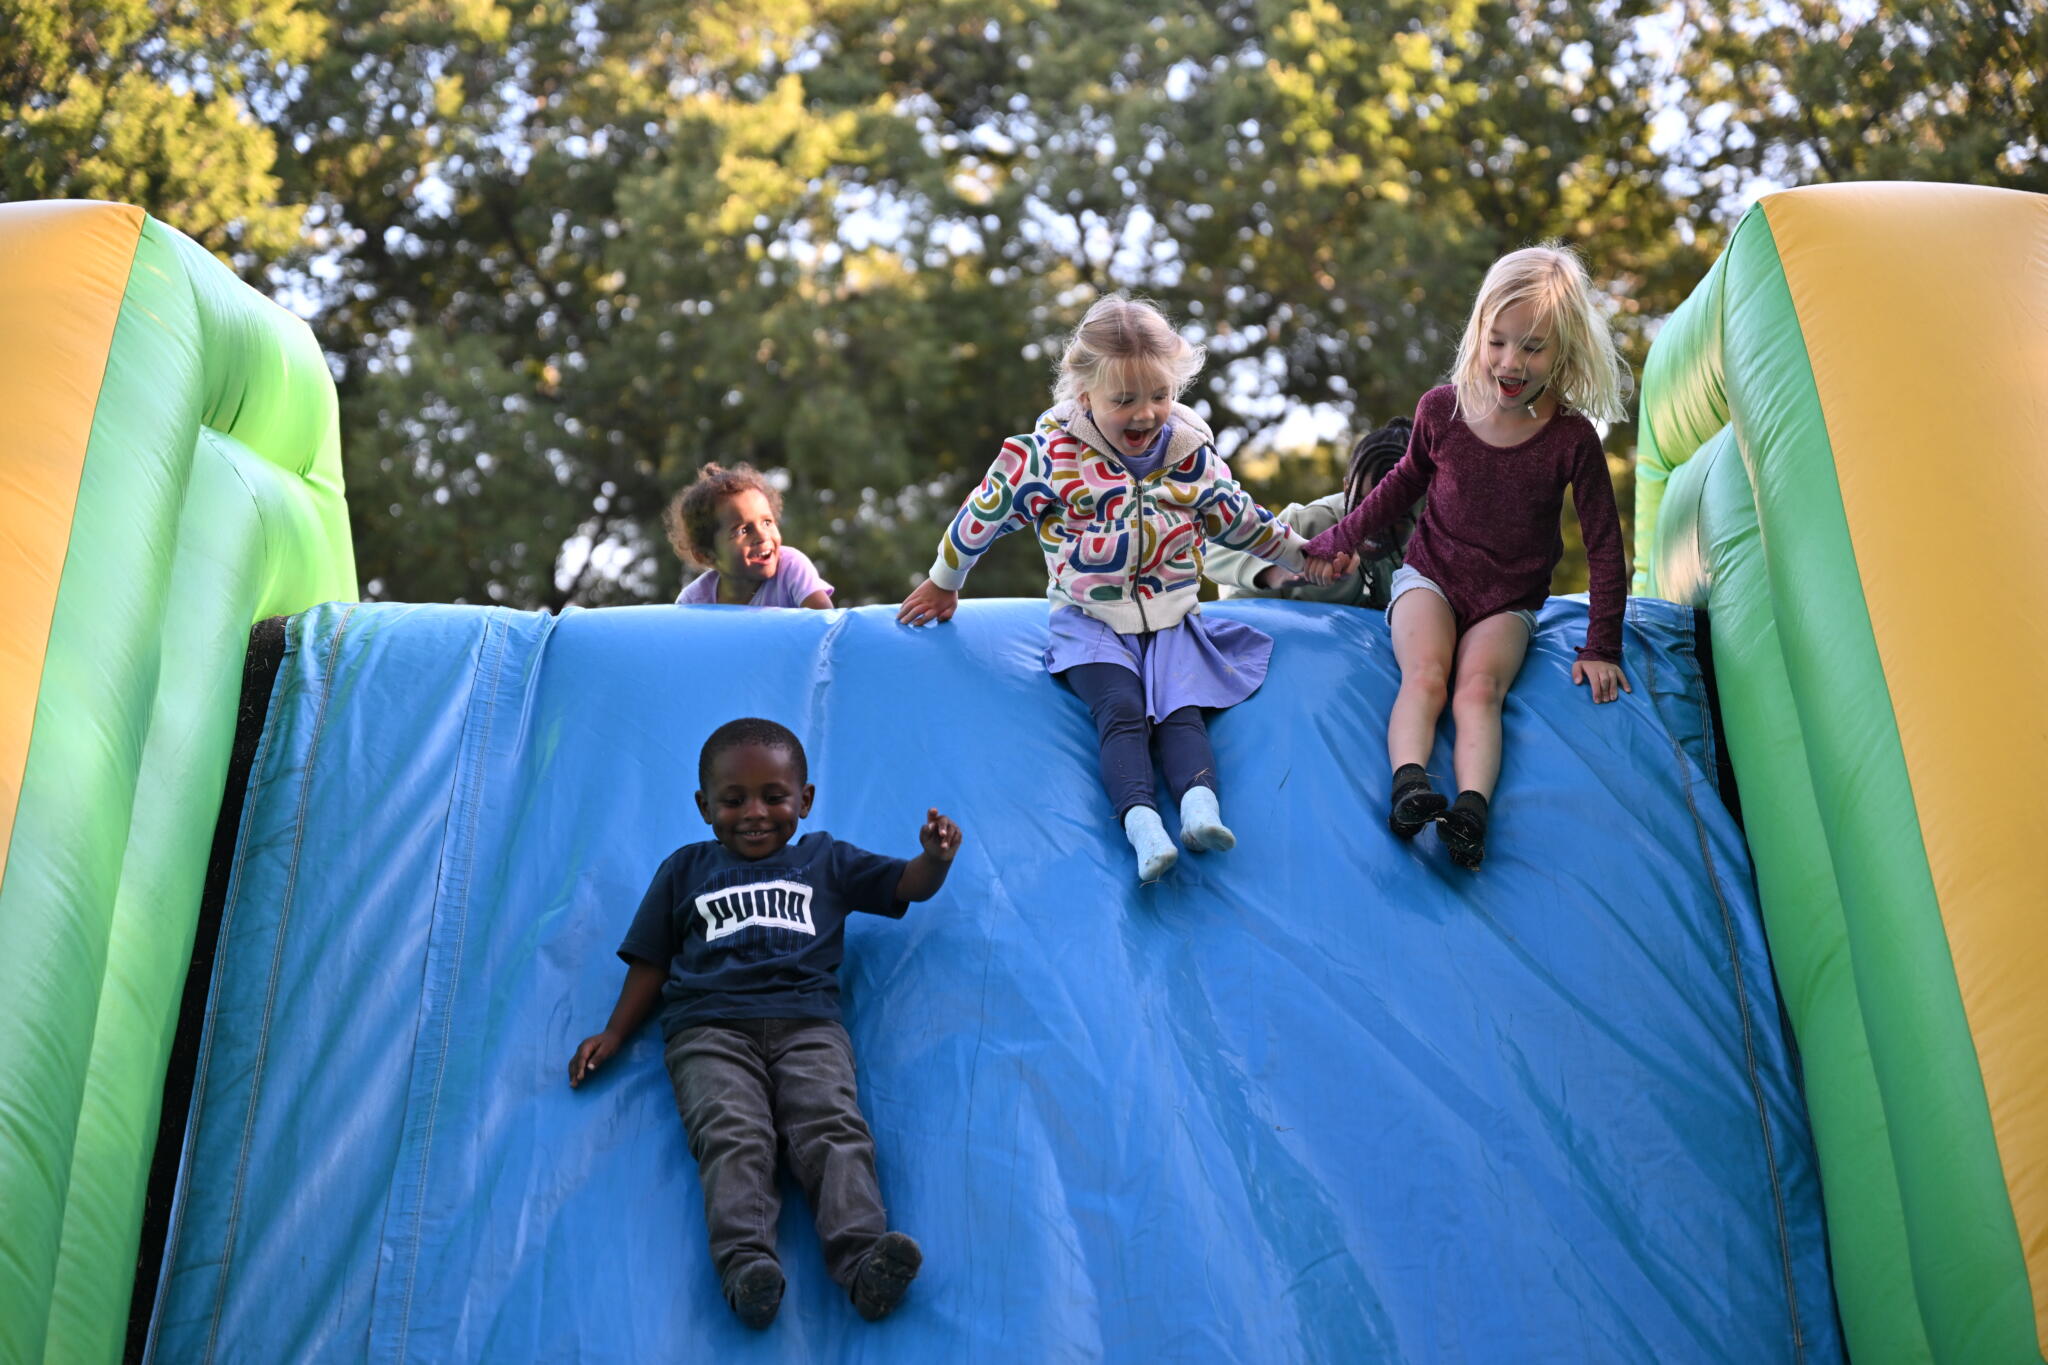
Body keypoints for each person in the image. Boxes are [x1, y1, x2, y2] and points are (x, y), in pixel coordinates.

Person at [895, 293, 1328, 884]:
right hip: (1088, 619)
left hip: (1172, 612)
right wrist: (945, 581)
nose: (1146, 414)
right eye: (1124, 400)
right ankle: (1143, 824)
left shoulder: (1190, 458)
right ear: (1085, 395)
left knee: (1182, 711)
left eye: (1159, 395)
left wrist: (1302, 557)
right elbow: (986, 510)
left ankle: (1201, 811)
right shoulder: (1050, 456)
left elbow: (1243, 519)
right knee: (1121, 709)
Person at [568, 718, 962, 1328]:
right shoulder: (685, 870)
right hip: (709, 1032)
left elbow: (905, 885)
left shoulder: (826, 860)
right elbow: (650, 960)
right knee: (734, 1135)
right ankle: (747, 1267)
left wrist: (934, 858)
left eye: (774, 797)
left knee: (833, 1129)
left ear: (803, 800)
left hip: (808, 1027)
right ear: (704, 806)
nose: (755, 813)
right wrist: (615, 1033)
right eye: (733, 800)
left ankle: (862, 1265)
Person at [1300, 243, 1632, 870]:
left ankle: (1472, 813)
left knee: (1479, 689)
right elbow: (1400, 486)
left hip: (1507, 599)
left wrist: (1601, 646)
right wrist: (1336, 541)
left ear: (1564, 349)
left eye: (1533, 347)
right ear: (1480, 331)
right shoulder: (1442, 410)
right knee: (1426, 673)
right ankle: (1410, 786)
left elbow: (1603, 543)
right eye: (1498, 341)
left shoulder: (1571, 440)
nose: (1511, 362)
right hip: (1432, 575)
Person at [1206, 417, 1417, 607]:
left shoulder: (1430, 546)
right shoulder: (1309, 522)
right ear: (1346, 489)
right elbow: (1207, 550)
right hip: (1255, 625)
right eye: (1362, 504)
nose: (1375, 524)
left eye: (1395, 514)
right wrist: (1285, 566)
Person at [666, 462, 834, 607]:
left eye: (767, 522)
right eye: (742, 530)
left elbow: (828, 627)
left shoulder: (791, 568)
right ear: (705, 555)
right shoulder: (695, 601)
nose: (762, 536)